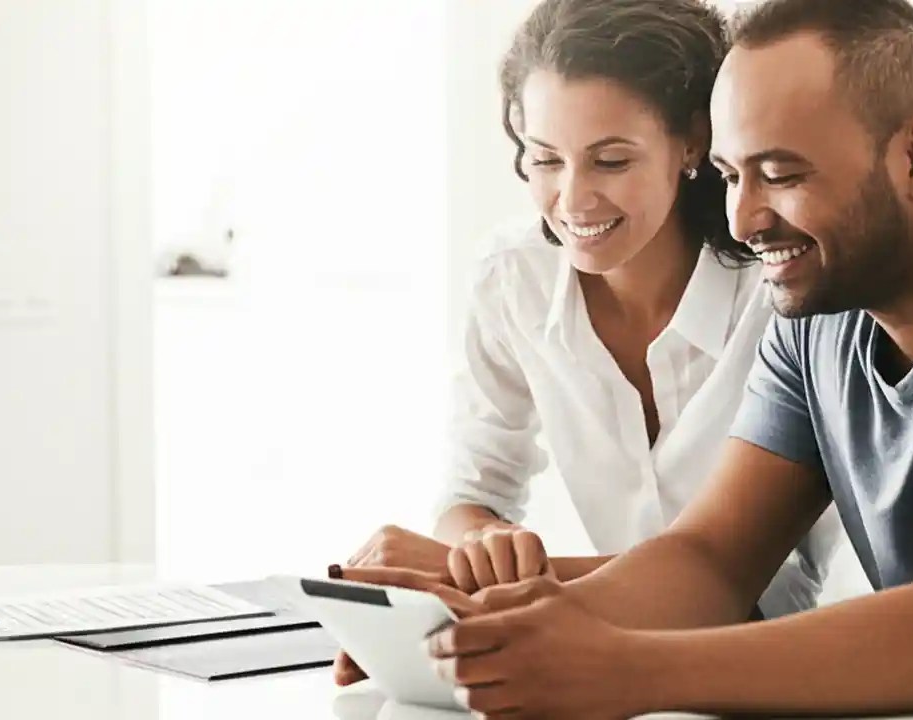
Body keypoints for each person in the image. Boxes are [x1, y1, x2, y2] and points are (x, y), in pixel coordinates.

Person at [339, 0, 913, 716]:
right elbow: (712, 561)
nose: (743, 218)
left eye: (783, 175)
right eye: (732, 176)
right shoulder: (819, 305)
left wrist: (624, 669)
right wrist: (462, 633)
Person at [345, 0, 843, 624]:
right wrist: (478, 547)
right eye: (546, 159)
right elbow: (475, 491)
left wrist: (471, 576)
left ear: (691, 141)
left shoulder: (782, 292)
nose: (573, 199)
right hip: (619, 665)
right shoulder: (514, 279)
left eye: (611, 160)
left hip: (792, 670)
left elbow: (765, 583)